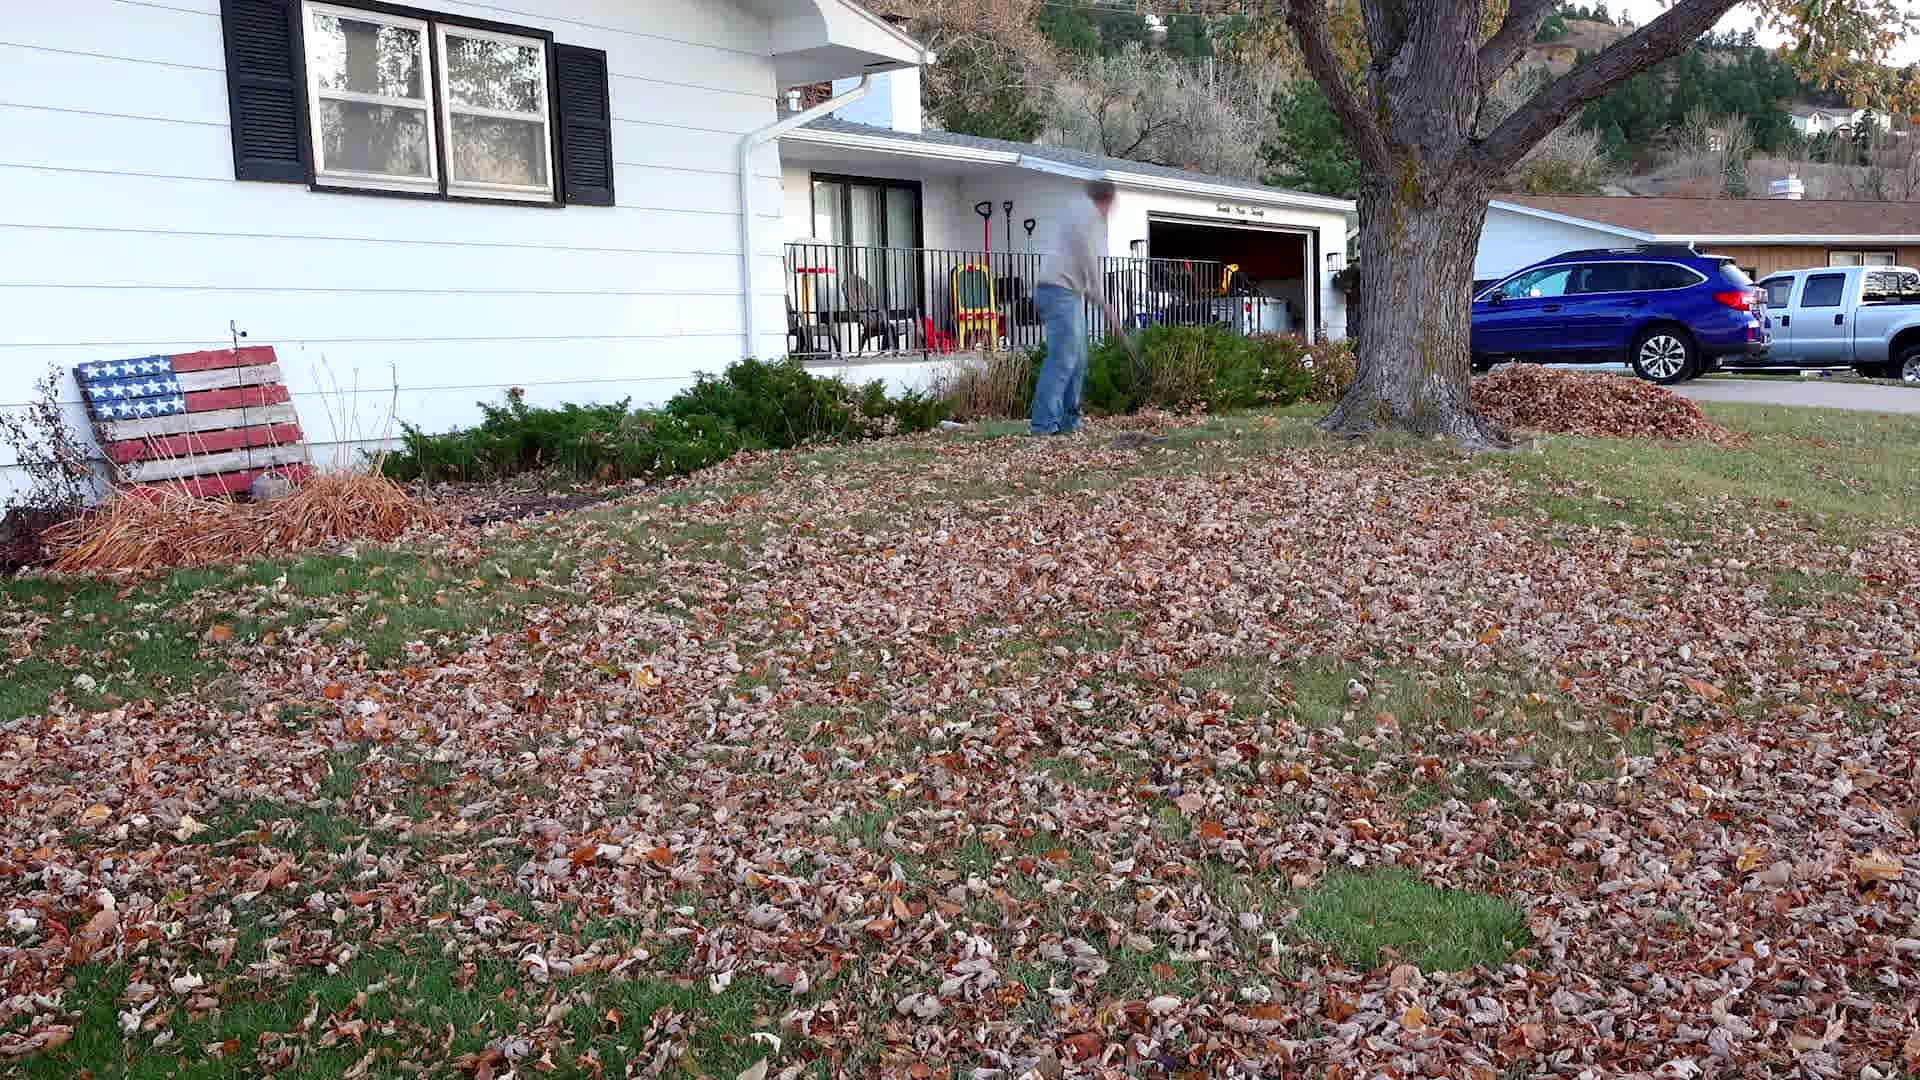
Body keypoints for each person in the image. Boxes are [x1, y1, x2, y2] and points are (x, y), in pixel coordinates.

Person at [1031, 180, 1121, 436]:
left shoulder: (1085, 215)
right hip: (1058, 291)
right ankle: (1043, 425)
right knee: (1062, 359)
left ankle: (1070, 421)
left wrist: (1094, 292)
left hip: (1068, 292)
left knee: (1078, 359)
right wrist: (1100, 295)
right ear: (1108, 199)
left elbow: (1085, 260)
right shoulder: (1088, 216)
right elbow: (1087, 256)